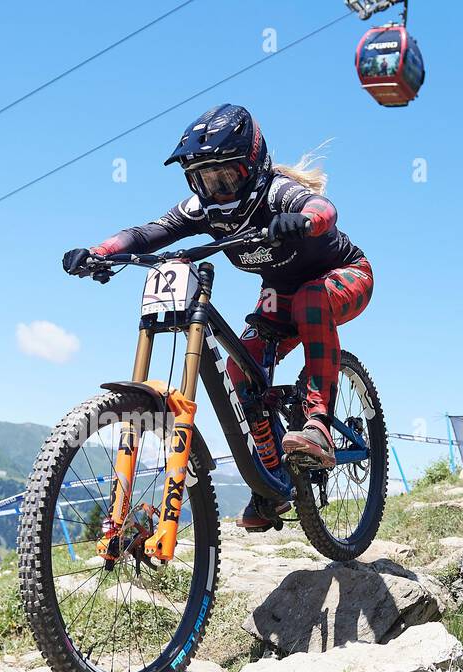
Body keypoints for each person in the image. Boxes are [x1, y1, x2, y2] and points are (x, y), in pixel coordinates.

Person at [62, 103, 374, 529]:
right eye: (205, 179)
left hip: (343, 275)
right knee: (239, 366)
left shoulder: (278, 192)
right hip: (280, 293)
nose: (217, 188)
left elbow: (325, 211)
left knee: (311, 300)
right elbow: (147, 232)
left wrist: (300, 221)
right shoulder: (203, 208)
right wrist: (100, 252)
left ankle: (318, 423)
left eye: (226, 175)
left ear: (253, 165)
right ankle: (270, 481)